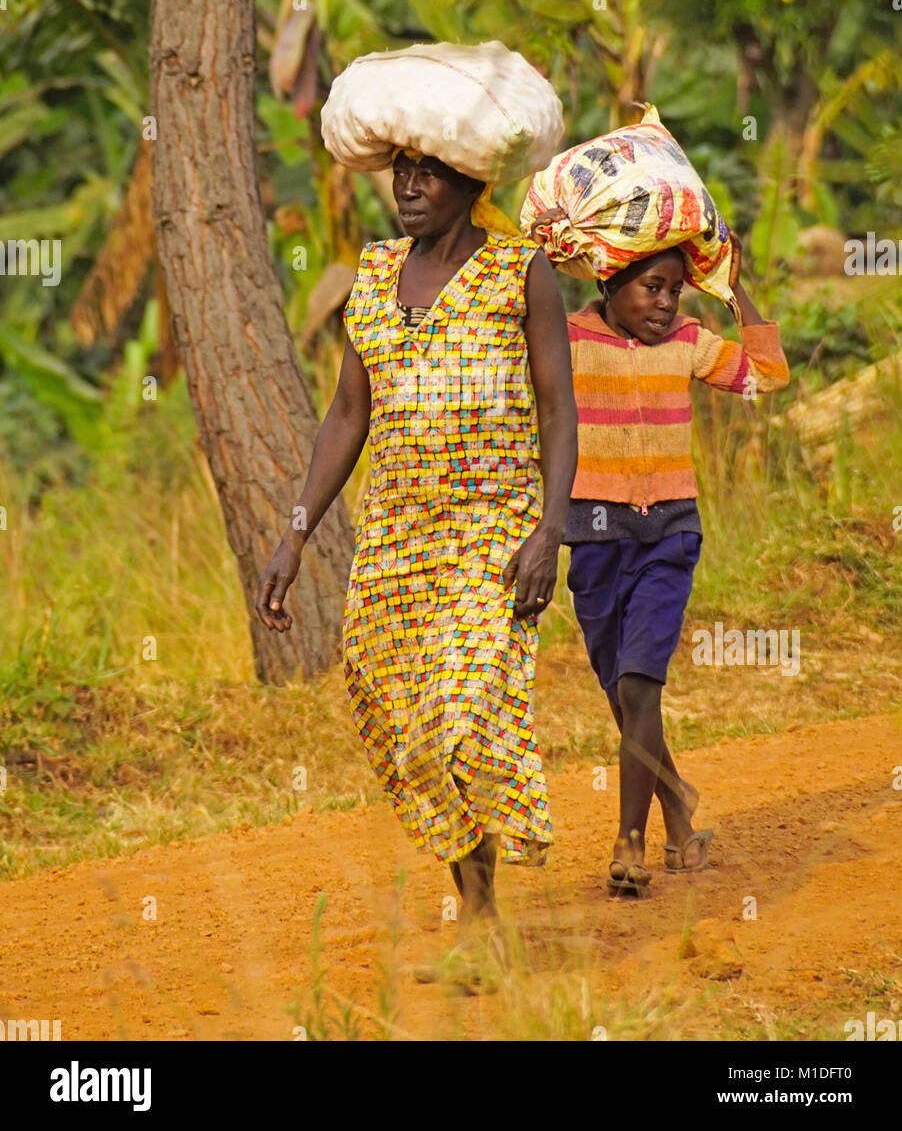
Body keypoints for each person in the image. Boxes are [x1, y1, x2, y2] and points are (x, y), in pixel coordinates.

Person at [256, 149, 577, 976]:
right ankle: (479, 919)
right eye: (400, 171)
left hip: (491, 531)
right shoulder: (373, 275)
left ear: (472, 184)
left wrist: (551, 529)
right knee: (392, 707)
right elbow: (346, 414)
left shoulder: (520, 271)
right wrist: (296, 533)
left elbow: (557, 407)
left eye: (428, 175)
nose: (408, 188)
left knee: (454, 713)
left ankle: (489, 903)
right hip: (395, 538)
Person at [562, 232, 790, 896]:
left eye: (674, 289)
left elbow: (765, 377)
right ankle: (677, 807)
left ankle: (631, 840)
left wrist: (732, 286)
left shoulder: (689, 340)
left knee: (639, 685)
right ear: (608, 282)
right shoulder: (568, 338)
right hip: (594, 535)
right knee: (618, 687)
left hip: (669, 534)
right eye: (650, 288)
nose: (664, 303)